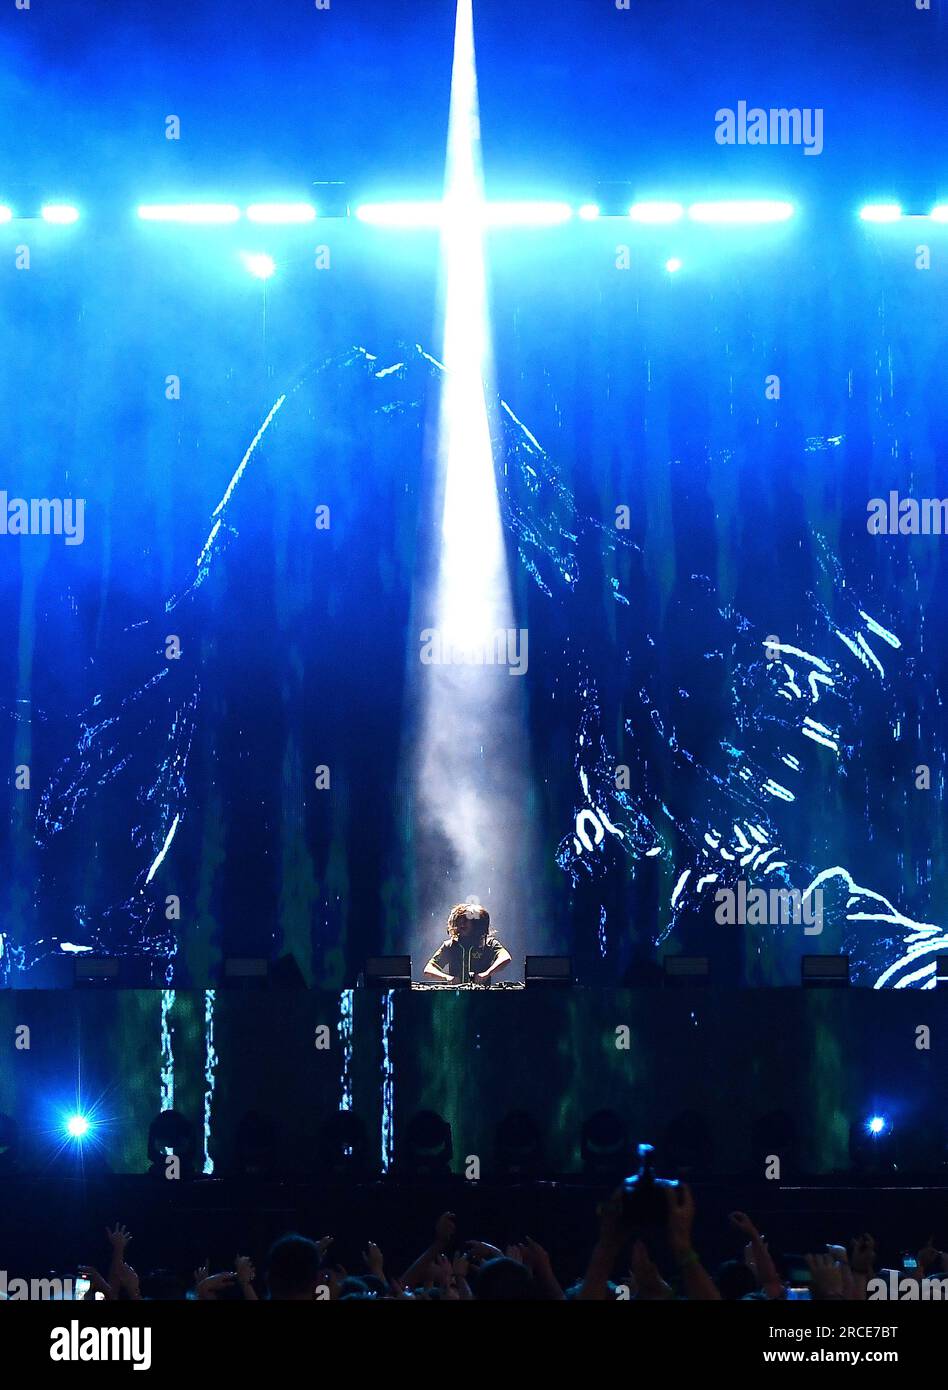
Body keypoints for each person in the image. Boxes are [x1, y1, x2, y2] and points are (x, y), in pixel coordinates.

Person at [423, 902, 512, 983]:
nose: (462, 924)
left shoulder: (489, 944)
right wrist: (447, 978)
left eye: (466, 921)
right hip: (457, 998)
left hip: (483, 997)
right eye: (460, 921)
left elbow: (505, 957)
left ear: (477, 924)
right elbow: (429, 969)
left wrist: (486, 974)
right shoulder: (450, 945)